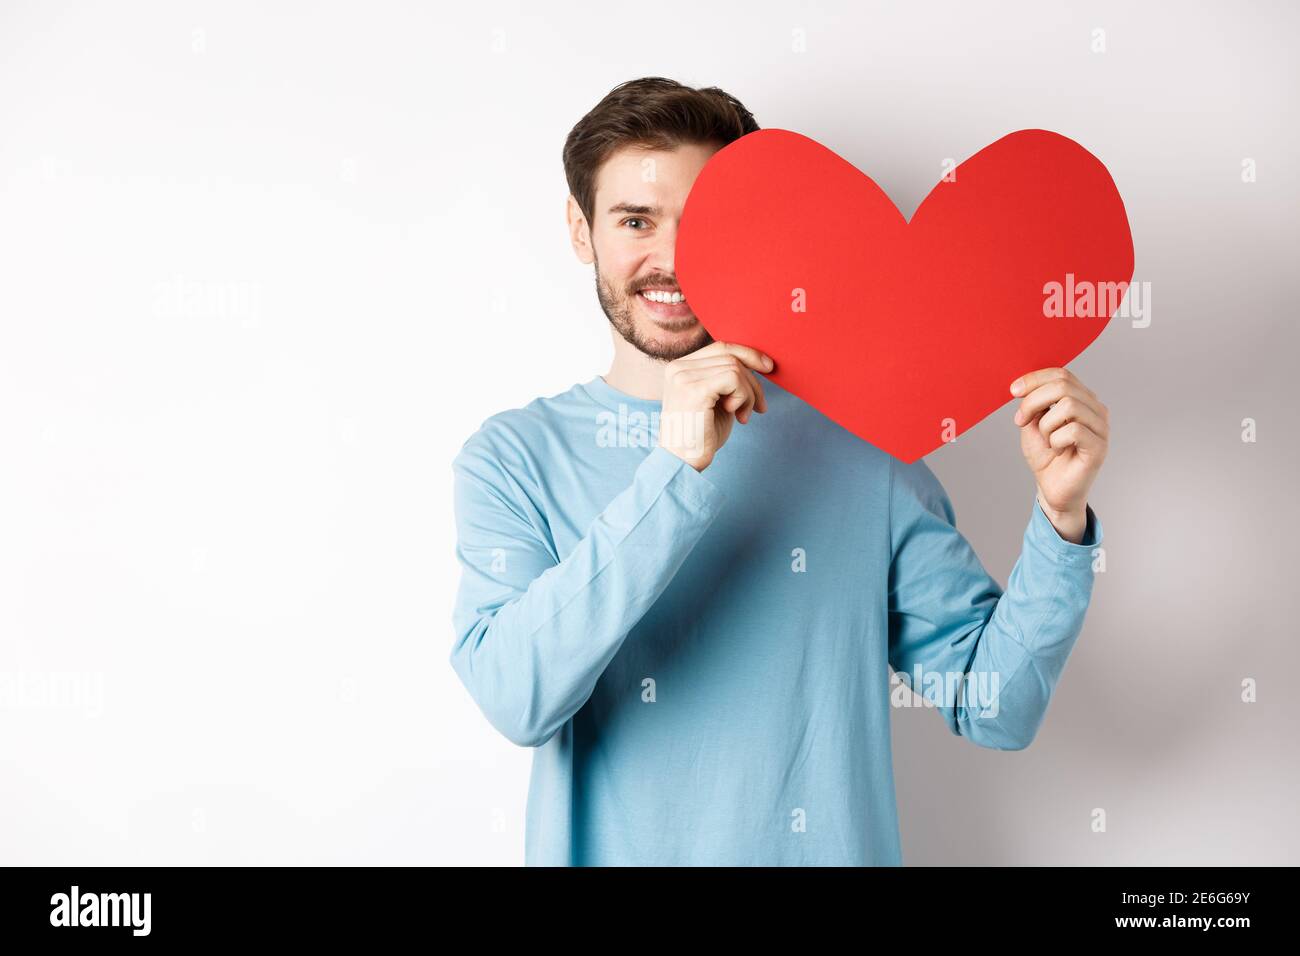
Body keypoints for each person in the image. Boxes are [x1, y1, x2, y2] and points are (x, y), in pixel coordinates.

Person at [449, 76, 1108, 865]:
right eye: (635, 221)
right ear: (582, 230)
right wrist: (675, 469)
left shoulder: (864, 449)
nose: (667, 261)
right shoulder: (512, 459)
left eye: (700, 227)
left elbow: (995, 706)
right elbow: (517, 698)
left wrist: (1060, 520)